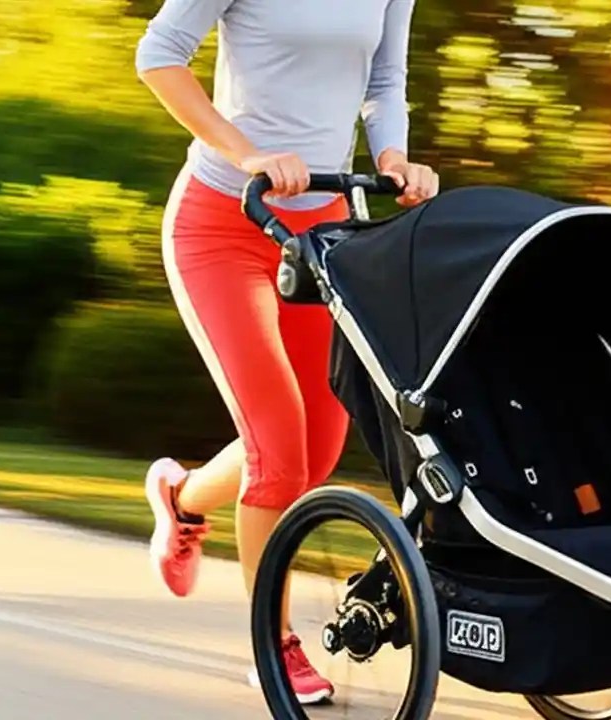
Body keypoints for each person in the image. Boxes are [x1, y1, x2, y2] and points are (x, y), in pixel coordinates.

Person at [134, 0, 438, 704]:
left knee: (314, 450)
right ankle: (272, 643)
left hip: (320, 227)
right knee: (275, 445)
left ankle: (181, 500)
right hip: (224, 220)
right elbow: (159, 56)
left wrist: (391, 153)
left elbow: (385, 80)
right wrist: (245, 152)